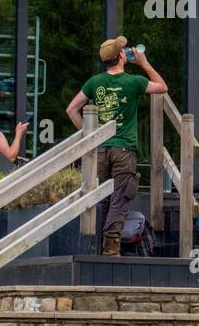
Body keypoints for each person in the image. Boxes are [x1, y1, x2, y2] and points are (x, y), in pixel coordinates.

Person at [66, 36, 167, 256]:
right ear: (122, 56)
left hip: (100, 149)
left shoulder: (94, 82)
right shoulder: (133, 82)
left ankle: (94, 247)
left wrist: (88, 135)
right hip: (124, 149)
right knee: (120, 198)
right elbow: (162, 87)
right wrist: (144, 63)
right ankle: (111, 249)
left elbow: (71, 109)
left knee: (101, 199)